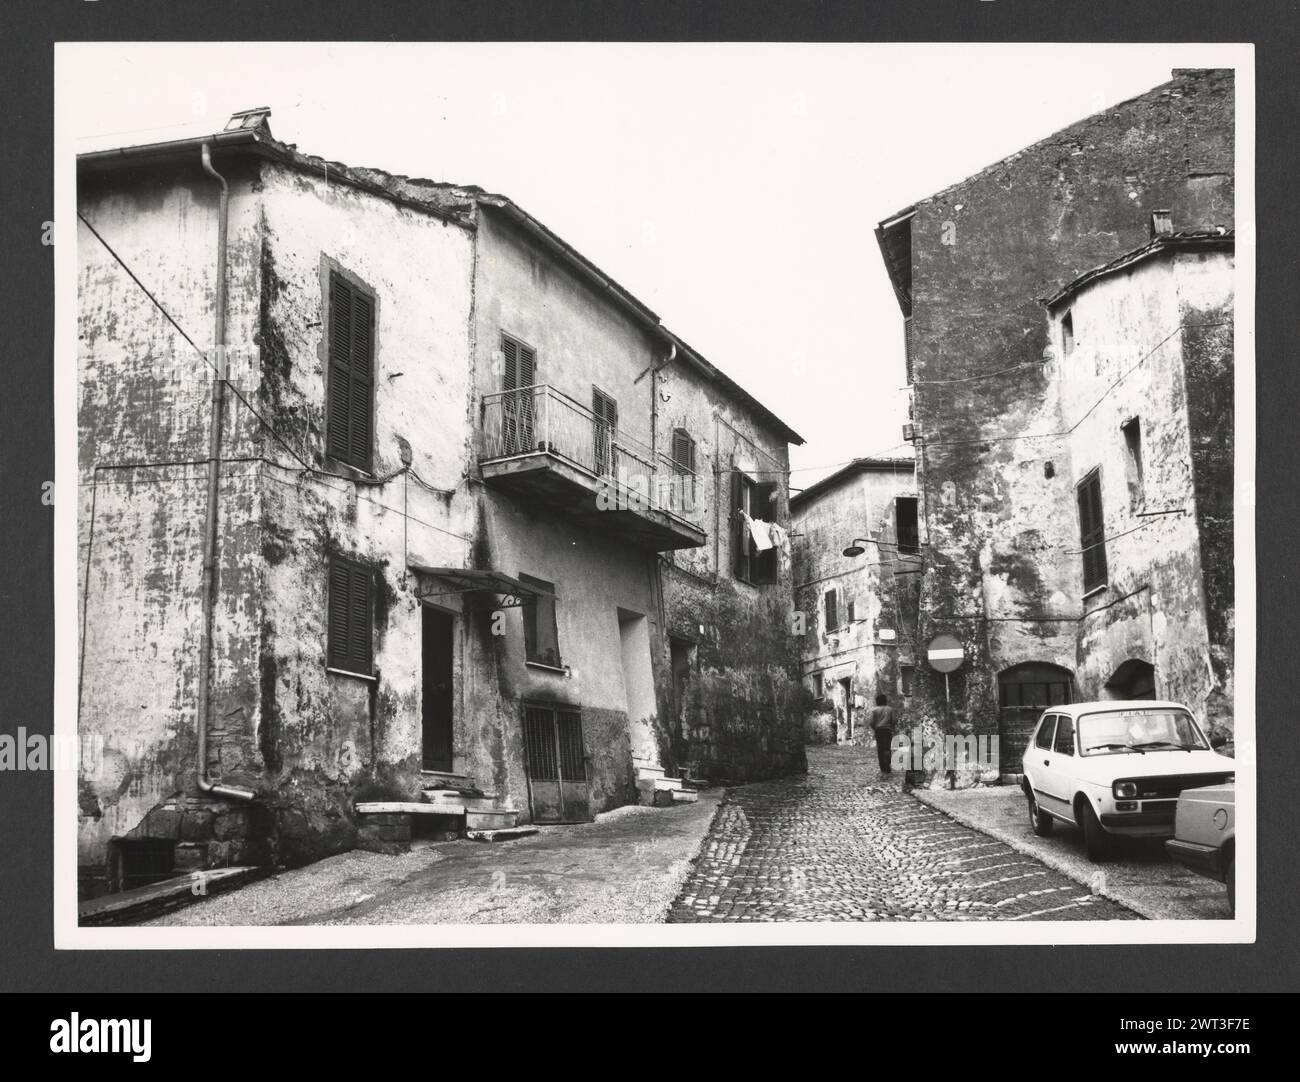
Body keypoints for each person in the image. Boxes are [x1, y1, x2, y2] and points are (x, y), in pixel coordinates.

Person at [869, 693, 896, 775]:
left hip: (878, 731)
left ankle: (882, 768)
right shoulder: (890, 709)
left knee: (880, 749)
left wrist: (875, 728)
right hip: (887, 730)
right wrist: (891, 726)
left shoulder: (874, 710)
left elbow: (871, 722)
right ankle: (887, 766)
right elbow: (894, 720)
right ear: (885, 700)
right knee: (887, 748)